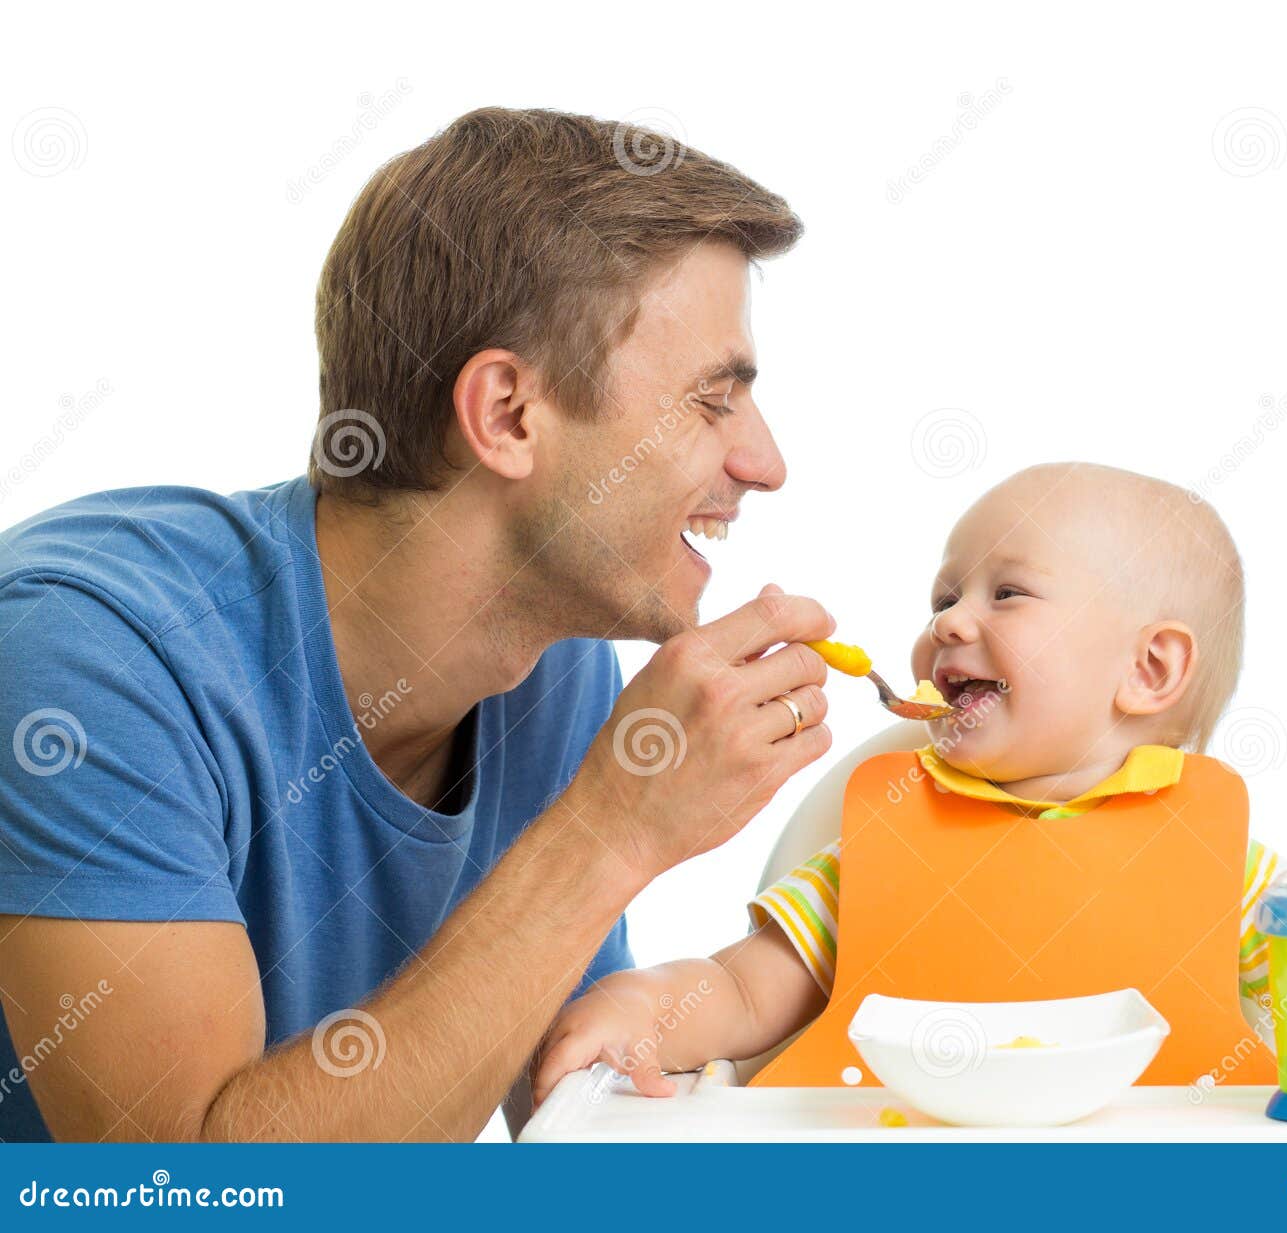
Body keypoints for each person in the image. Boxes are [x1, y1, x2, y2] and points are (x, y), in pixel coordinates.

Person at [0, 107, 838, 1141]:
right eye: (712, 402)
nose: (765, 463)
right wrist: (611, 827)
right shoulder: (88, 653)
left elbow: (565, 1102)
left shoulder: (551, 663)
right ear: (507, 415)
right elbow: (190, 1197)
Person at [535, 464, 1287, 1112]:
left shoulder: (1226, 876)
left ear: (1148, 671)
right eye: (941, 598)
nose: (948, 624)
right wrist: (643, 1004)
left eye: (1004, 594)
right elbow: (749, 986)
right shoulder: (876, 849)